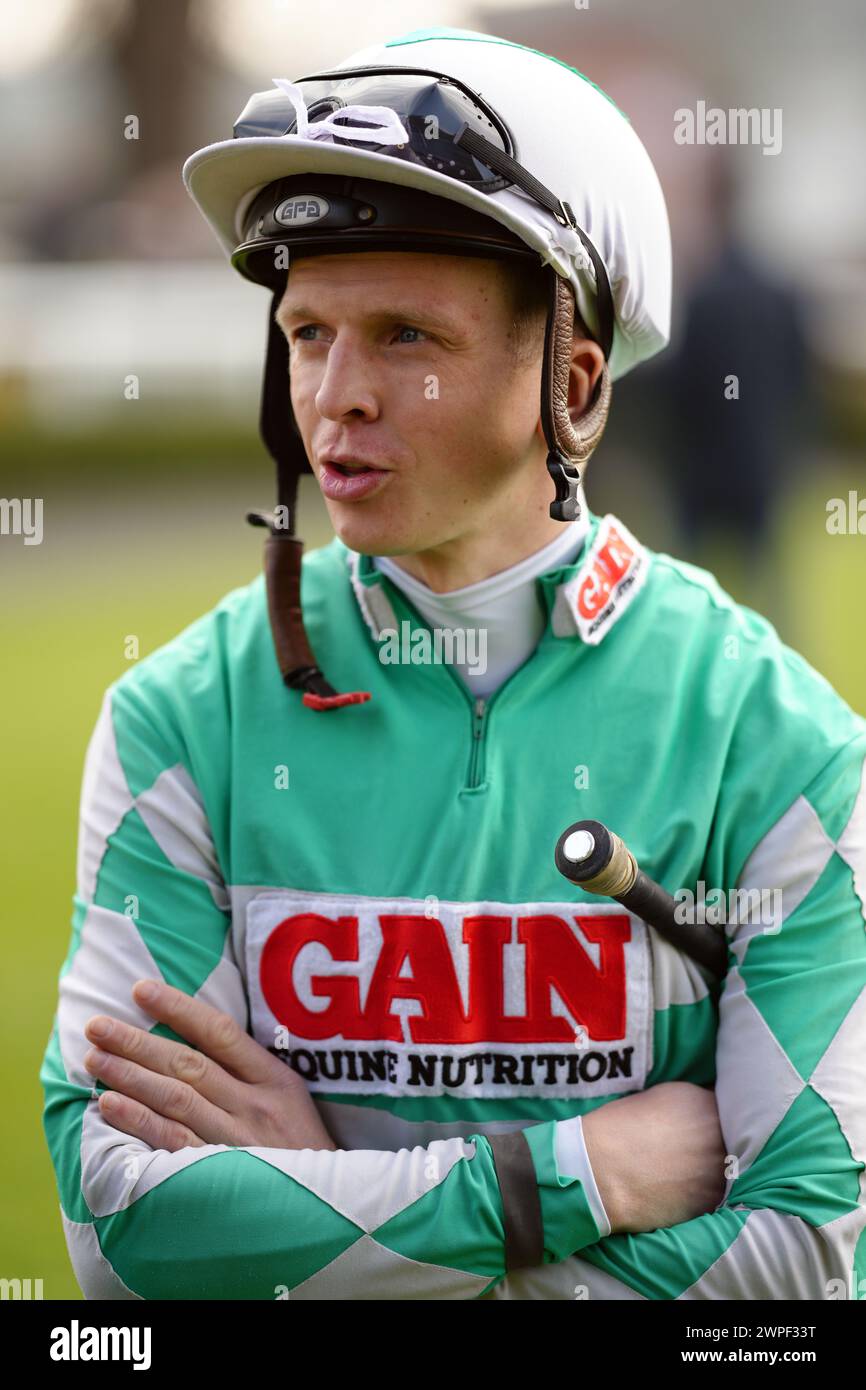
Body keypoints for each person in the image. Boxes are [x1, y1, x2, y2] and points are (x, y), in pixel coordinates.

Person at [40, 25, 865, 1301]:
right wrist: (564, 1179)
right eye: (307, 332)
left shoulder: (777, 739)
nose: (337, 394)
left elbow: (800, 1264)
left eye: (406, 336)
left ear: (571, 382)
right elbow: (126, 1238)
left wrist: (319, 1206)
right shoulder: (179, 721)